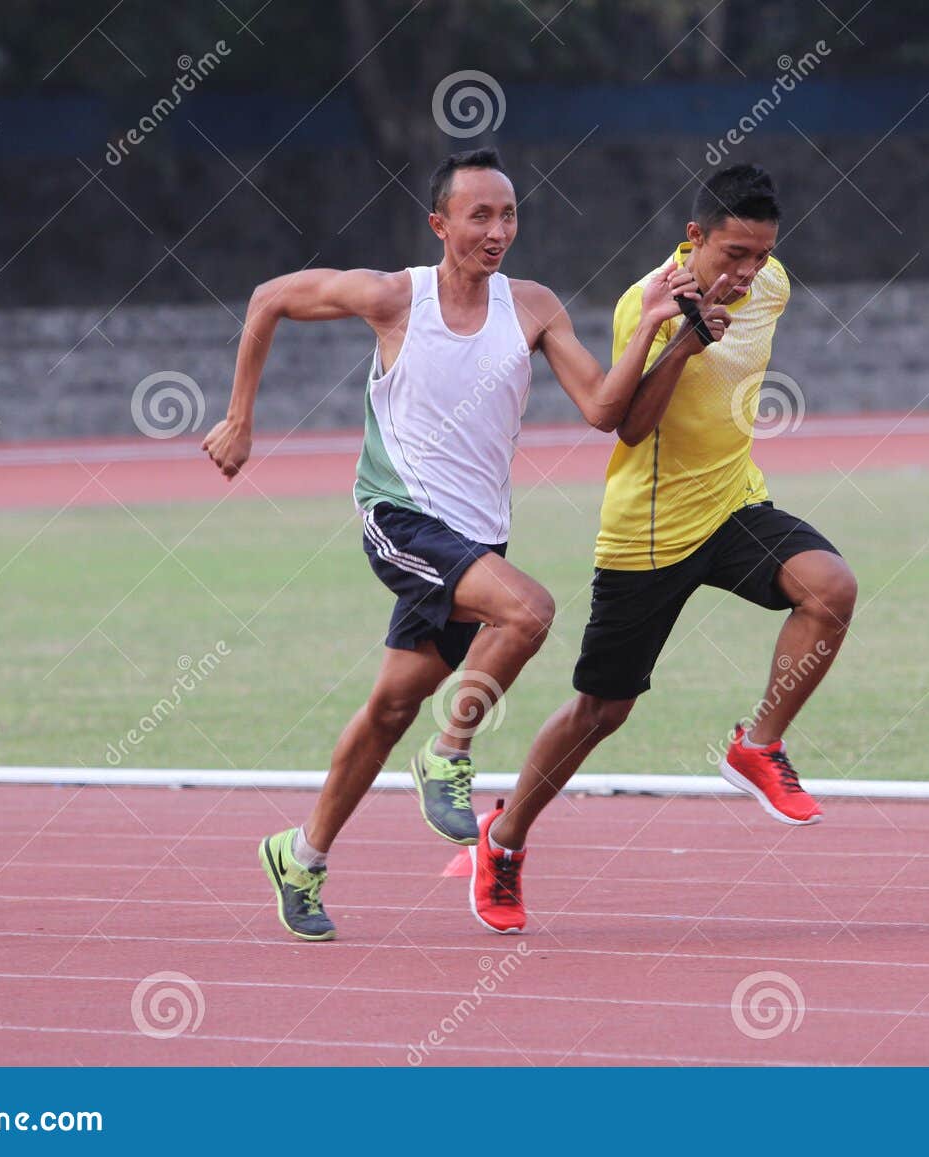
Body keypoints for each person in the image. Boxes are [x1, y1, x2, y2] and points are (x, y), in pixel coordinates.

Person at [201, 148, 731, 940]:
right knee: (530, 612)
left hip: (476, 541)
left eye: (508, 215)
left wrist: (662, 328)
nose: (497, 230)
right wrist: (241, 418)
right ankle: (448, 752)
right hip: (400, 518)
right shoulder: (394, 297)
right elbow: (269, 297)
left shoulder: (533, 306)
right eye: (479, 215)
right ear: (439, 224)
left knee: (389, 707)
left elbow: (604, 410)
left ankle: (300, 855)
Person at [470, 164, 857, 934]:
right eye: (733, 254)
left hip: (734, 503)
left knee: (831, 588)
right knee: (601, 711)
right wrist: (684, 341)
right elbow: (630, 425)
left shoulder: (772, 285)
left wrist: (742, 291)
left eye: (761, 254)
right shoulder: (641, 305)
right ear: (694, 238)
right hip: (647, 532)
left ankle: (758, 746)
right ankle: (504, 838)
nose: (747, 271)